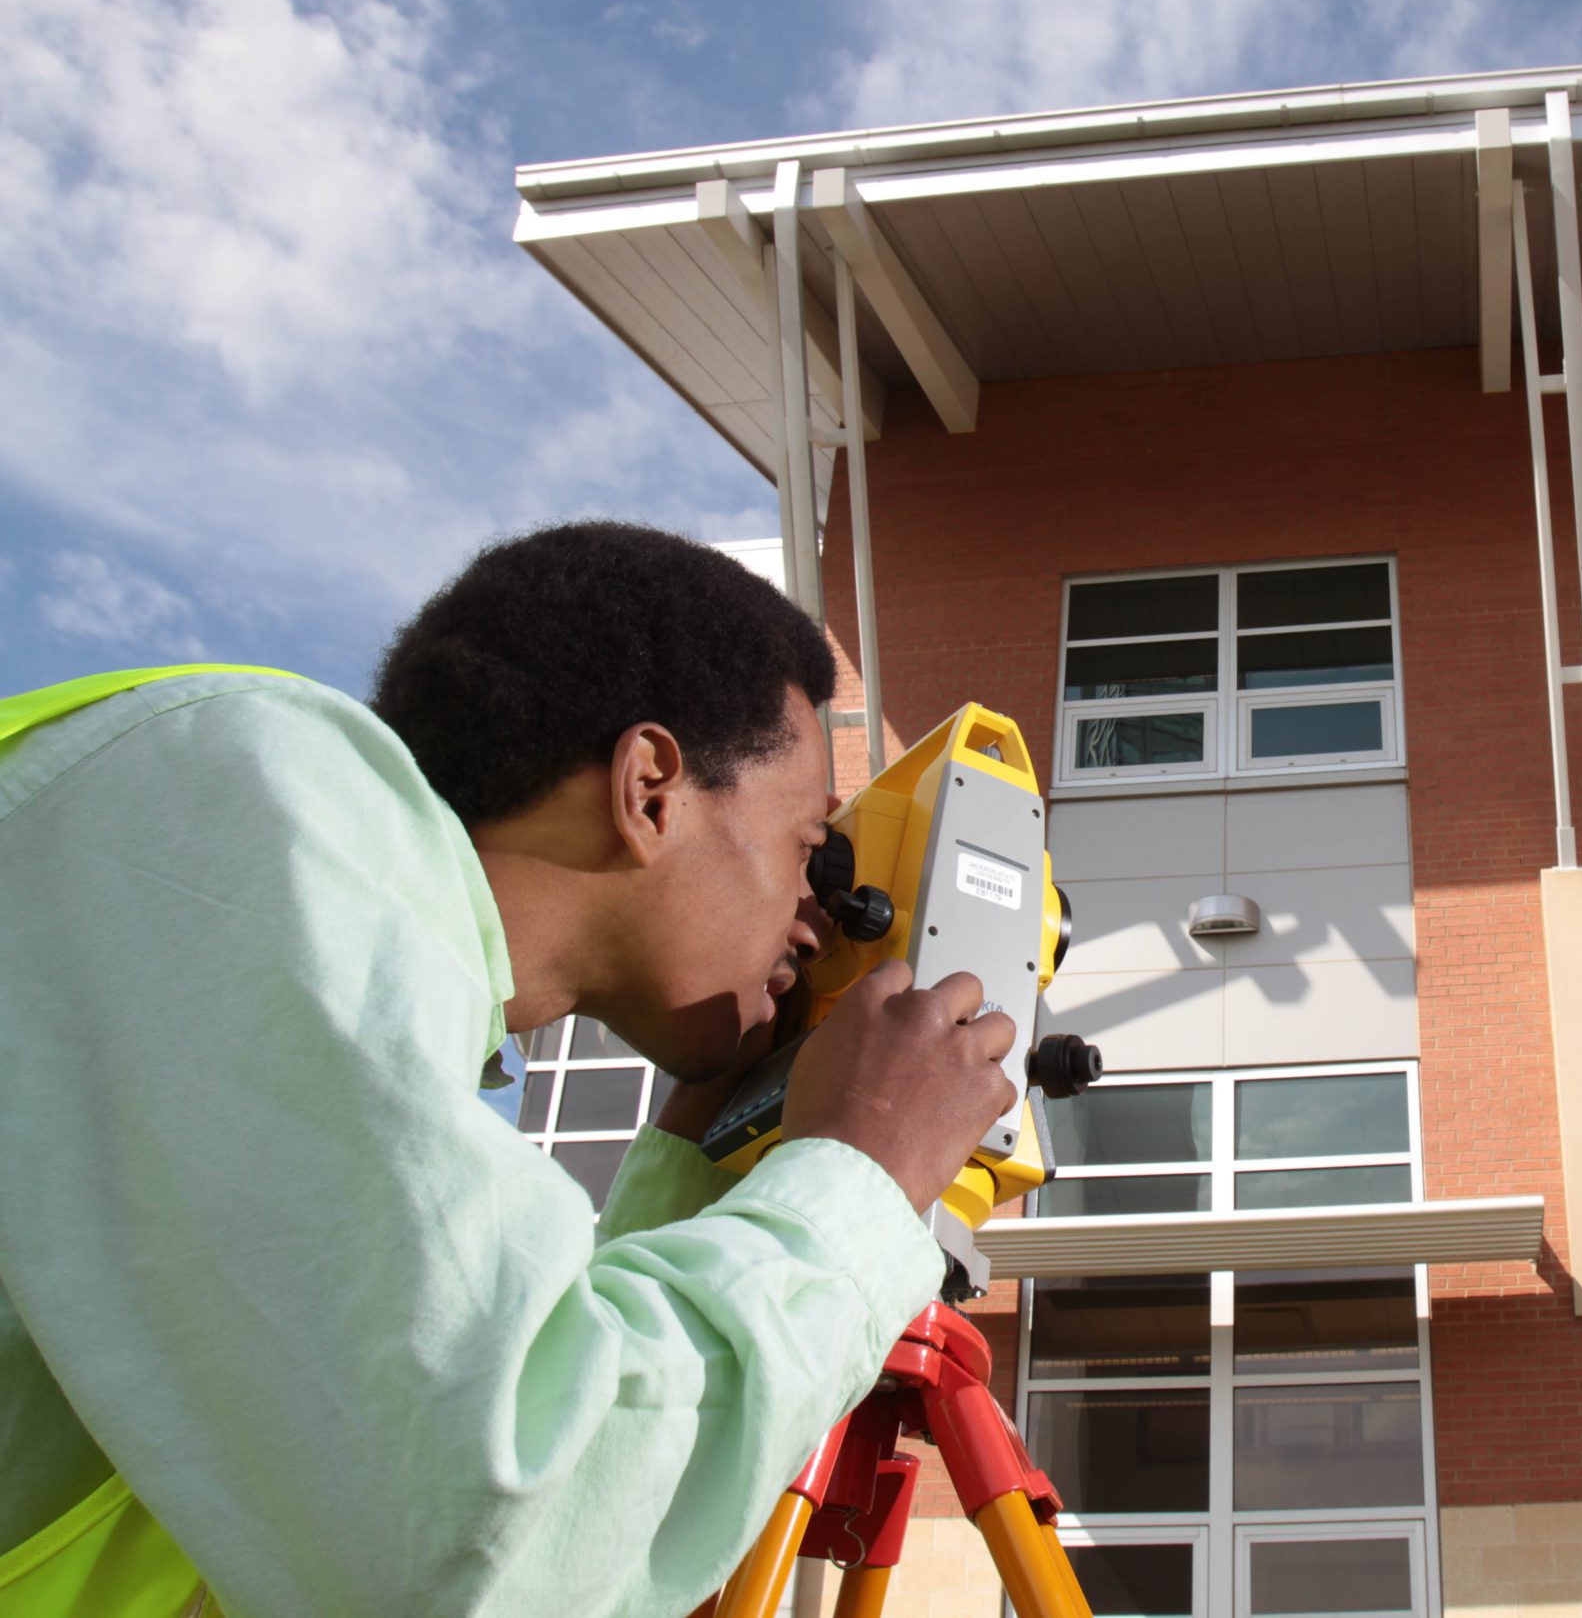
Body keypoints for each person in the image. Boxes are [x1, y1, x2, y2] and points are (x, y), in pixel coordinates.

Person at [0, 521, 1018, 1615]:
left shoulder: (321, 968)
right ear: (650, 789)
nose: (817, 922)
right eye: (807, 848)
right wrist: (859, 1175)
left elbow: (472, 1430)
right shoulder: (244, 793)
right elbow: (492, 1527)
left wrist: (699, 1153)